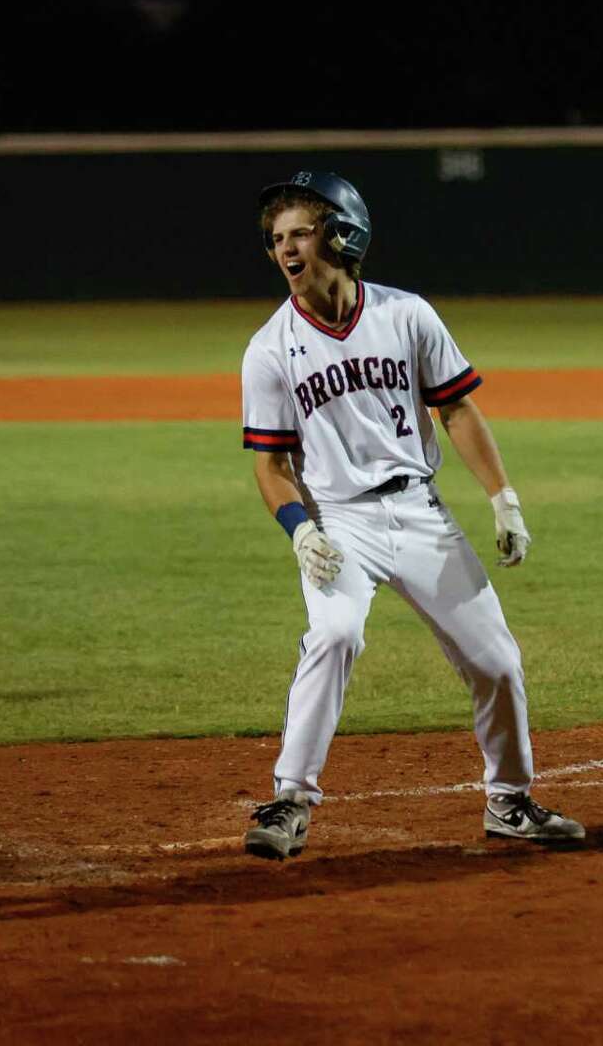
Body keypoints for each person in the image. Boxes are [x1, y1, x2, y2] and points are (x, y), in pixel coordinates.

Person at [238, 171, 585, 859]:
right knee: (335, 633)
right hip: (339, 521)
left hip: (420, 511)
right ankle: (290, 801)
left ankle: (510, 801)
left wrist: (503, 498)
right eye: (277, 239)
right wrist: (300, 530)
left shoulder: (406, 315)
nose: (287, 249)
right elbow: (271, 465)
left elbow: (456, 408)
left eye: (301, 232)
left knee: (497, 661)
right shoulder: (270, 349)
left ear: (342, 234)